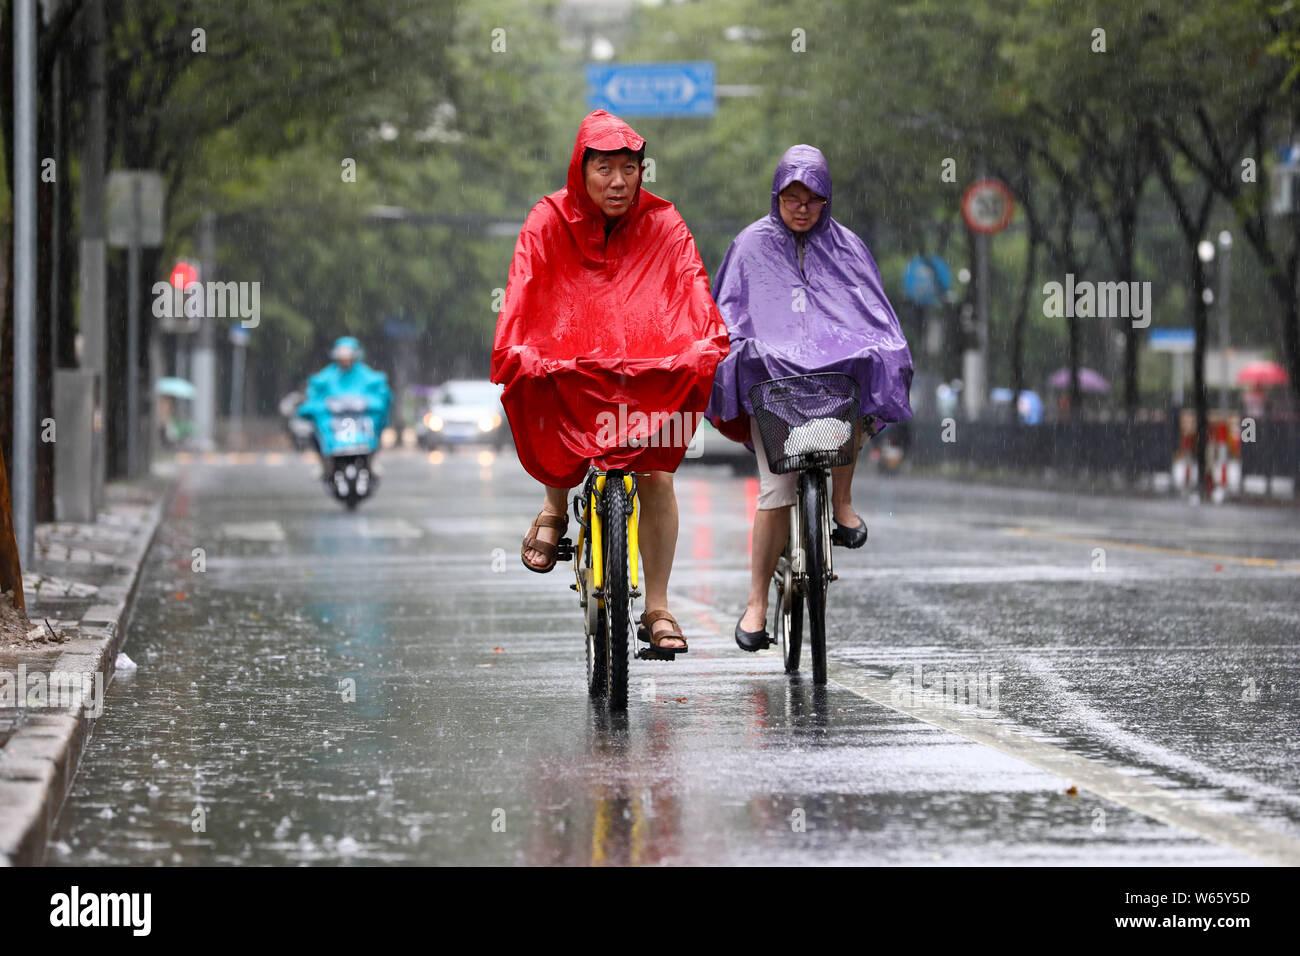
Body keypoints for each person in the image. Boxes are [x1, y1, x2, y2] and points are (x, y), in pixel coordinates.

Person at [491, 110, 728, 654]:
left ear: (643, 171)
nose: (618, 182)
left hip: (647, 371)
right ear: (582, 169)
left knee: (658, 478)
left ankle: (659, 607)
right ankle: (554, 509)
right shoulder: (548, 219)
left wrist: (703, 340)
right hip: (569, 360)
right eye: (604, 169)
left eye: (630, 168)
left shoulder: (665, 223)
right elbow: (524, 289)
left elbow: (691, 289)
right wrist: (521, 346)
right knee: (545, 395)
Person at [705, 145, 913, 652]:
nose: (801, 207)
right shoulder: (749, 246)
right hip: (774, 393)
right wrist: (745, 353)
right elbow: (726, 317)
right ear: (776, 195)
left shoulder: (850, 249)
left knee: (859, 401)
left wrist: (877, 350)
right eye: (791, 196)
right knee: (776, 492)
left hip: (832, 390)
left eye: (813, 198)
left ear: (827, 201)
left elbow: (874, 316)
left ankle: (841, 503)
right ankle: (757, 601)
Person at [296, 336, 392, 460]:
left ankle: (371, 461)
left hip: (362, 424)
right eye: (342, 357)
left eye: (348, 356)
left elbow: (382, 399)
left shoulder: (368, 376)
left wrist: (365, 404)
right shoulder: (326, 377)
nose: (345, 360)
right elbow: (313, 399)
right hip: (333, 427)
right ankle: (325, 463)